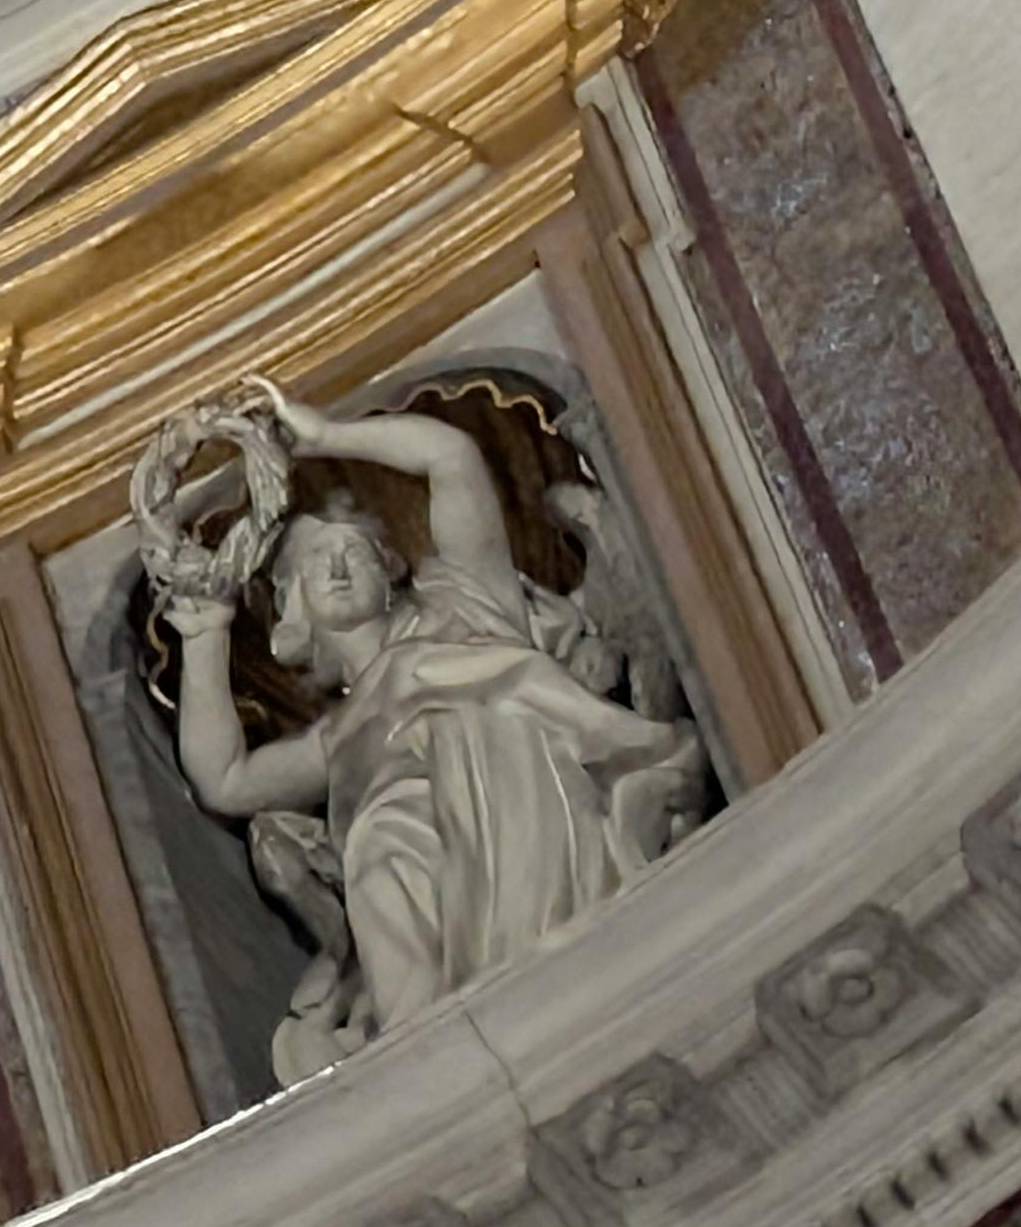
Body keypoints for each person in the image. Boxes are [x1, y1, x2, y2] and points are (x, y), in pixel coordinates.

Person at [141, 381, 710, 1054]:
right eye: (319, 561)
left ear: (392, 571)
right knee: (380, 852)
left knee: (485, 744)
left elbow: (454, 461)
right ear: (292, 608)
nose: (342, 566)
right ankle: (433, 1051)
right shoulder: (340, 736)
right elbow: (225, 780)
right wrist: (206, 638)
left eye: (355, 551)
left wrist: (327, 437)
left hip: (541, 817)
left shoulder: (469, 605)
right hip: (425, 890)